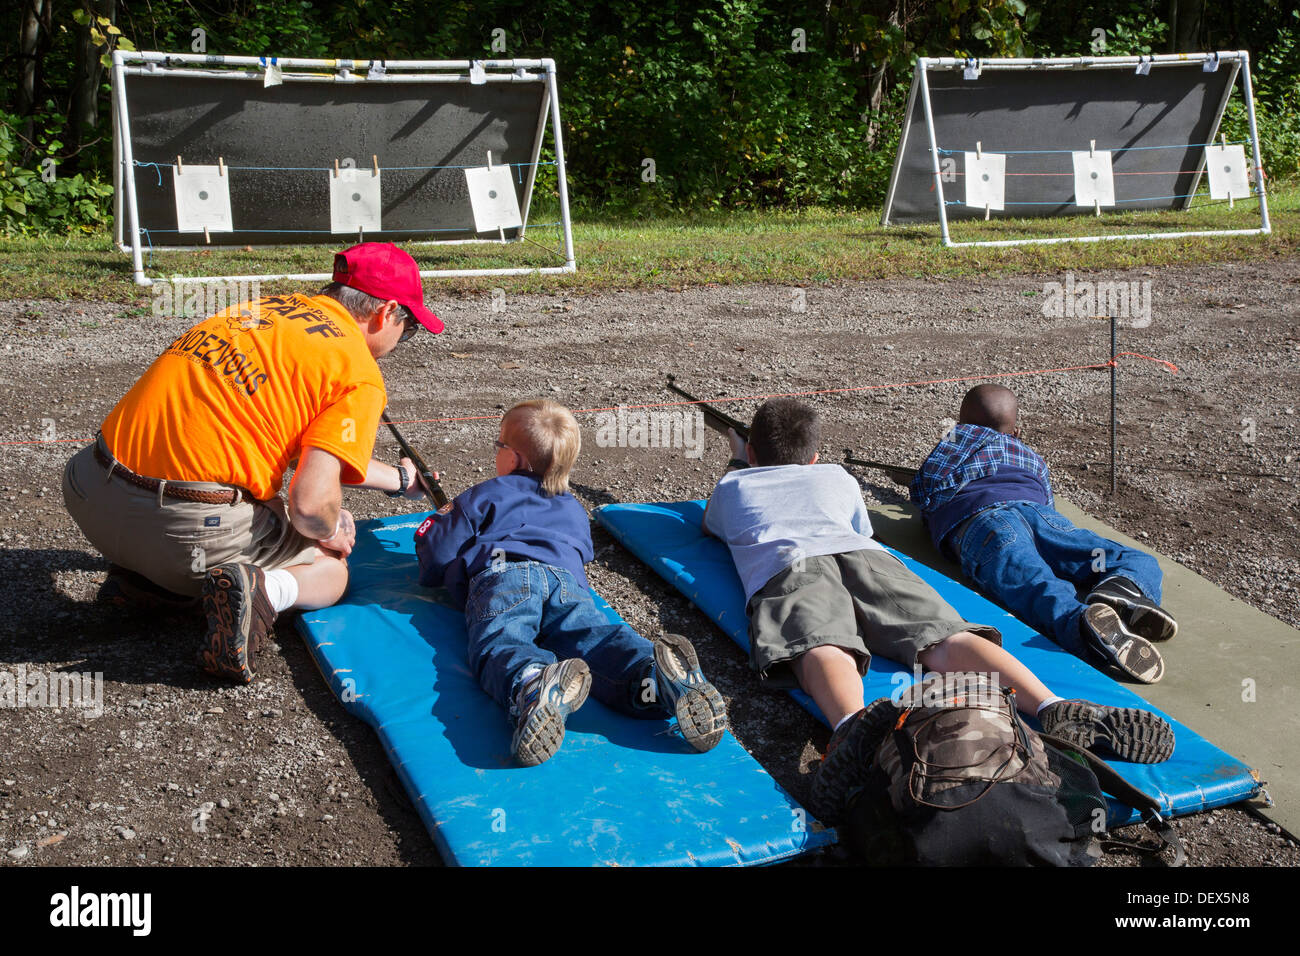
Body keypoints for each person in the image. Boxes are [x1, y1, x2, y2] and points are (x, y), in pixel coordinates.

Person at [702, 397, 1174, 823]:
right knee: (946, 636)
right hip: (867, 558)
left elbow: (713, 527)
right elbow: (858, 528)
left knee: (820, 638)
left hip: (791, 562)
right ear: (814, 457)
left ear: (754, 453)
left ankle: (852, 728)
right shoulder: (837, 477)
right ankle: (1051, 704)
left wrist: (740, 464)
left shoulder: (733, 488)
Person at [63, 242, 441, 684]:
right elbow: (308, 506)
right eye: (410, 327)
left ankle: (147, 584)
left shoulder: (263, 309)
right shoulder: (358, 371)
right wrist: (332, 526)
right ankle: (260, 592)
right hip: (181, 531)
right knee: (330, 566)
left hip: (90, 492)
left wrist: (398, 479)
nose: (404, 339)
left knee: (261, 498)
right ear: (386, 312)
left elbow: (290, 435)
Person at [414, 399, 728, 766]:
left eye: (498, 445)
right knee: (597, 639)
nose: (495, 453)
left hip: (506, 576)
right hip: (567, 584)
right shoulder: (573, 507)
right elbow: (579, 553)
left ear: (513, 459)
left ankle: (530, 682)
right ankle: (655, 677)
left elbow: (436, 553)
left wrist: (436, 525)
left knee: (502, 637)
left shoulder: (487, 493)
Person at [910, 384, 1176, 684]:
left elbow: (924, 491)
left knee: (1032, 581)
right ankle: (1124, 586)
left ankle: (1081, 625)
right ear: (1017, 432)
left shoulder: (954, 443)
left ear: (960, 425)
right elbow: (1045, 497)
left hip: (985, 526)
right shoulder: (1028, 455)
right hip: (1038, 515)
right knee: (1110, 554)